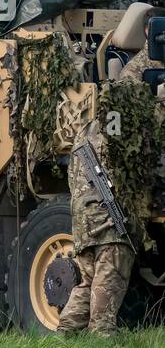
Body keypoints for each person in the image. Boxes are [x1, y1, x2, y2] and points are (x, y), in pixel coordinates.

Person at [58, 118, 135, 336]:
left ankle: (65, 333)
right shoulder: (119, 123)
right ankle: (102, 337)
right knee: (109, 279)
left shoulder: (85, 129)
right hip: (109, 222)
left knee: (86, 281)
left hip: (85, 222)